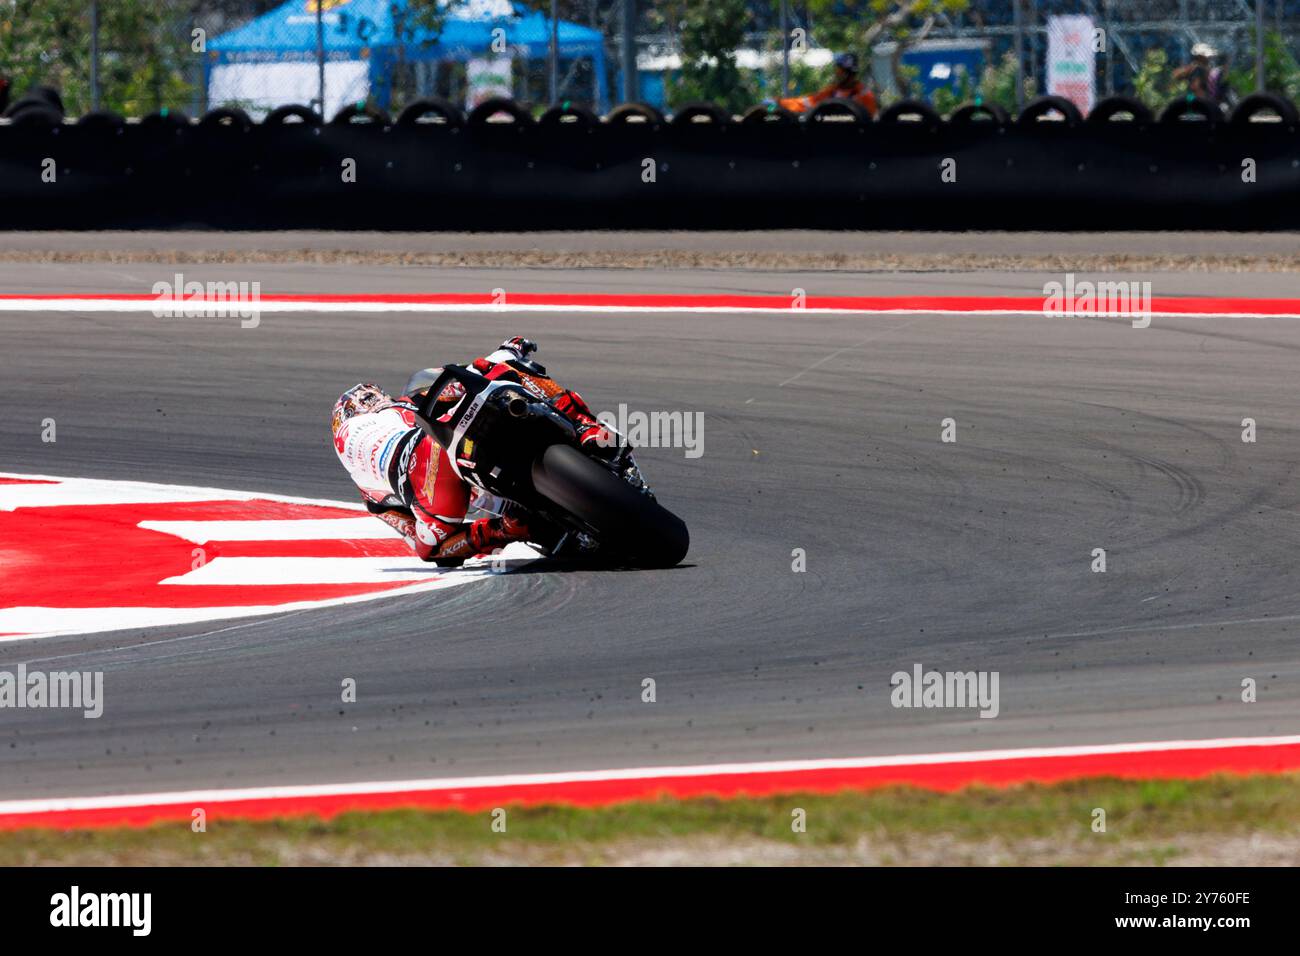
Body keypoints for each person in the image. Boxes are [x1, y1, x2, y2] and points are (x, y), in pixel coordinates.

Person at [331, 336, 612, 566]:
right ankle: (584, 425)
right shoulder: (403, 405)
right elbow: (459, 375)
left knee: (432, 548)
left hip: (430, 484)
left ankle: (510, 527)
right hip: (434, 450)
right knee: (503, 369)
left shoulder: (369, 492)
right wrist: (504, 353)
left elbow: (416, 536)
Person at [779, 51, 878, 117]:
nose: (836, 74)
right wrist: (779, 103)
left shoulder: (864, 95)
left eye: (840, 71)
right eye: (837, 71)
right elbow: (805, 103)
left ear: (850, 74)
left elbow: (870, 120)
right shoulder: (831, 92)